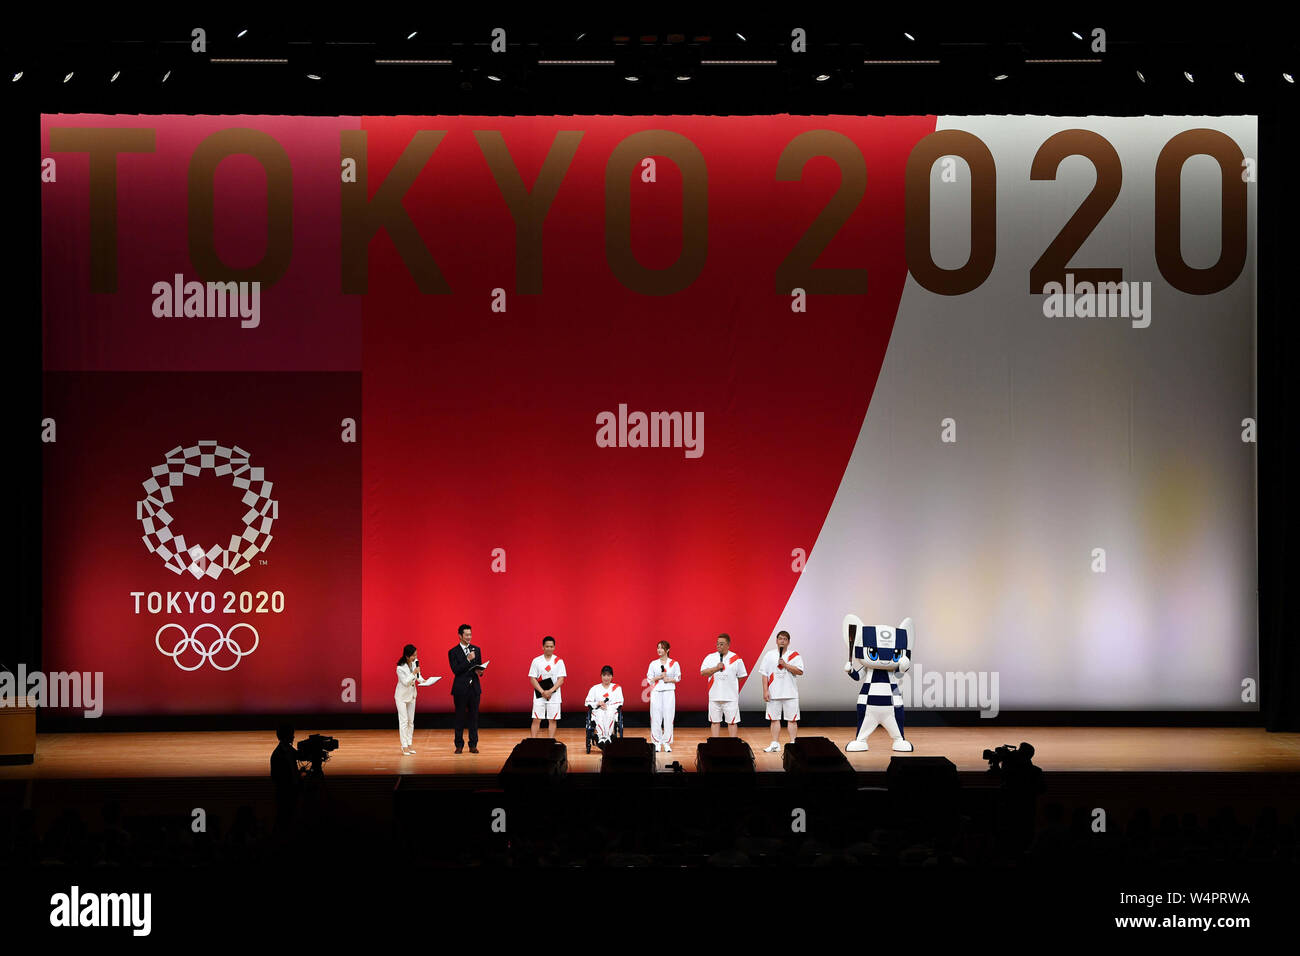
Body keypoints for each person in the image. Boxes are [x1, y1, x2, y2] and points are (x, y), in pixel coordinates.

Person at [758, 630, 804, 752]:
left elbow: (800, 671)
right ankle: (775, 744)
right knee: (774, 719)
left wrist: (785, 665)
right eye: (780, 638)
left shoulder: (794, 655)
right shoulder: (769, 655)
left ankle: (793, 743)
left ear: (788, 642)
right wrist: (765, 691)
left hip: (790, 693)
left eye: (784, 639)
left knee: (792, 719)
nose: (782, 641)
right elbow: (764, 674)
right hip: (774, 693)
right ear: (776, 640)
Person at [448, 624, 486, 753]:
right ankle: (459, 745)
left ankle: (473, 745)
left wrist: (480, 672)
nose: (469, 637)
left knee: (473, 718)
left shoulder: (477, 649)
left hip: (474, 689)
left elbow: (478, 666)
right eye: (466, 635)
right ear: (460, 636)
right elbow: (456, 670)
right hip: (460, 689)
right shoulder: (453, 652)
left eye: (470, 634)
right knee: (459, 717)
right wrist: (467, 659)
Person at [701, 633, 747, 737]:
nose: (719, 646)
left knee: (732, 722)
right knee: (715, 722)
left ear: (728, 645)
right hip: (714, 696)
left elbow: (741, 675)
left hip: (731, 697)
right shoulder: (710, 657)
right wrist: (716, 668)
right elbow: (703, 672)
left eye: (722, 644)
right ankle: (715, 744)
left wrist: (730, 684)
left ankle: (733, 745)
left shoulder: (736, 658)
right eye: (717, 644)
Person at [527, 635, 567, 738]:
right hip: (539, 694)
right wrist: (542, 692)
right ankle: (533, 742)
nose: (549, 648)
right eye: (547, 646)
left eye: (551, 646)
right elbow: (532, 678)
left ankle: (550, 743)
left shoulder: (559, 661)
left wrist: (550, 691)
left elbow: (561, 679)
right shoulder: (536, 661)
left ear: (554, 647)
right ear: (543, 647)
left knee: (552, 719)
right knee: (536, 719)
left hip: (554, 695)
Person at [646, 640, 681, 752]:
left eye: (661, 648)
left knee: (668, 716)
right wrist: (659, 677)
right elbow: (649, 679)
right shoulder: (653, 663)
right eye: (658, 648)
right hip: (656, 692)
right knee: (655, 717)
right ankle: (656, 742)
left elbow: (678, 677)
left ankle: (666, 742)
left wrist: (668, 679)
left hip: (669, 691)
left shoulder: (674, 663)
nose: (659, 650)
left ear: (667, 650)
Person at [269, 723, 301, 833]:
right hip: (285, 792)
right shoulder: (279, 753)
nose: (293, 737)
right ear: (287, 735)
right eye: (292, 734)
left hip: (290, 791)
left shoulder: (288, 749)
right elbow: (276, 776)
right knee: (284, 819)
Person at [585, 666, 623, 747]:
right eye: (604, 675)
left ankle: (608, 737)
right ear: (601, 676)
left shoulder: (617, 688)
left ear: (612, 676)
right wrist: (598, 703)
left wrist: (608, 707)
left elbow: (620, 702)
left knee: (609, 713)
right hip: (598, 710)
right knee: (600, 713)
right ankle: (601, 737)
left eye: (609, 675)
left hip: (611, 710)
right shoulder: (594, 688)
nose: (606, 678)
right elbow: (587, 702)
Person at [395, 643, 421, 754]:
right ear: (407, 656)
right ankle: (404, 745)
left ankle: (409, 744)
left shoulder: (415, 663)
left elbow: (418, 676)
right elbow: (405, 682)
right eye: (413, 655)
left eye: (416, 655)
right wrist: (414, 673)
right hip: (401, 697)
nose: (415, 657)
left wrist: (423, 681)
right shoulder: (400, 668)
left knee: (411, 721)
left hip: (412, 695)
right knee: (404, 721)